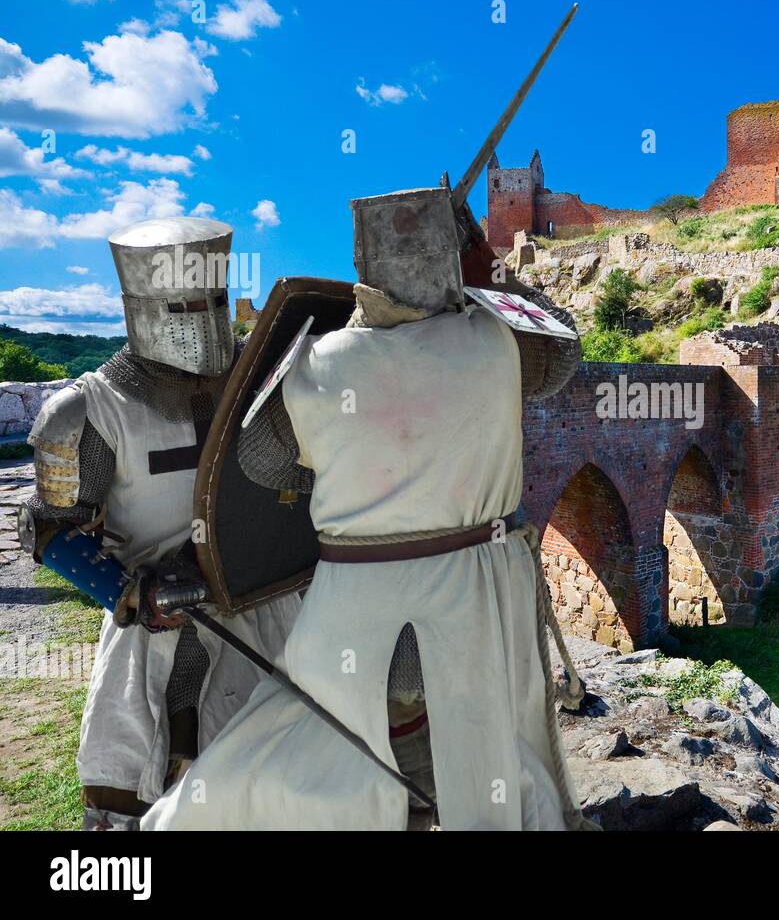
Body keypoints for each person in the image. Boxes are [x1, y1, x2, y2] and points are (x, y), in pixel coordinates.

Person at [143, 186, 586, 830]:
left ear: (360, 262)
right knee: (490, 740)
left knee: (318, 729)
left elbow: (263, 465)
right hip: (478, 588)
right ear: (450, 260)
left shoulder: (312, 365)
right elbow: (560, 345)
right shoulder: (500, 343)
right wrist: (486, 263)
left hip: (352, 598)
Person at [19, 216, 301, 830]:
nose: (203, 316)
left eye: (217, 299)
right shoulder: (89, 410)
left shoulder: (260, 386)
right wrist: (133, 592)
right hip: (156, 629)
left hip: (260, 615)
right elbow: (47, 529)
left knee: (279, 787)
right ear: (144, 304)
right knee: (140, 791)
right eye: (183, 301)